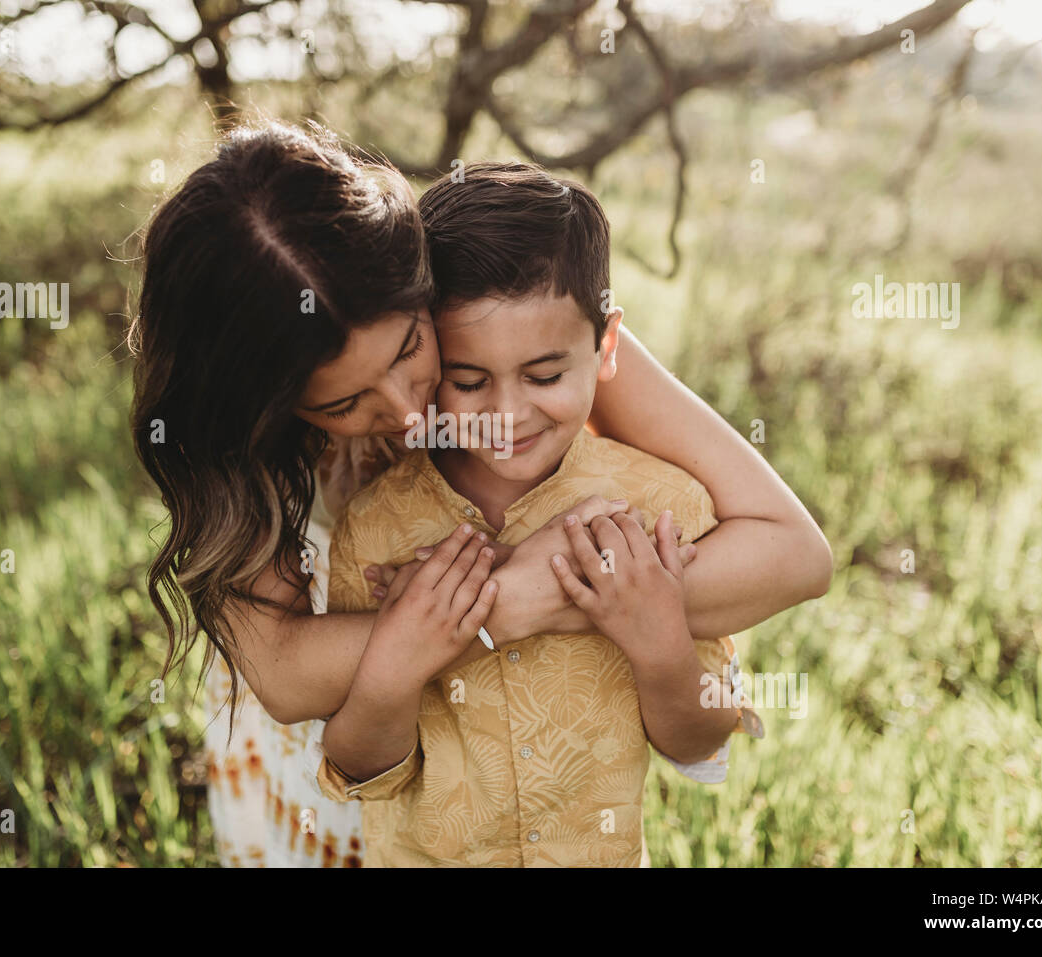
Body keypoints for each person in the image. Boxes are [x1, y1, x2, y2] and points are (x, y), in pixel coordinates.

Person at [128, 119, 831, 867]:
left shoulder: (510, 322)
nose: (407, 413)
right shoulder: (227, 437)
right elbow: (287, 674)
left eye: (409, 348)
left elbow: (793, 555)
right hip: (340, 747)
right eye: (342, 404)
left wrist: (572, 591)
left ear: (418, 283)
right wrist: (517, 595)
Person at [314, 162, 765, 866]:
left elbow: (702, 738)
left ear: (605, 346)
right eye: (468, 381)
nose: (506, 415)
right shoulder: (377, 530)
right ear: (429, 355)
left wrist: (659, 643)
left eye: (545, 376)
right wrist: (398, 664)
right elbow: (362, 769)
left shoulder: (660, 510)